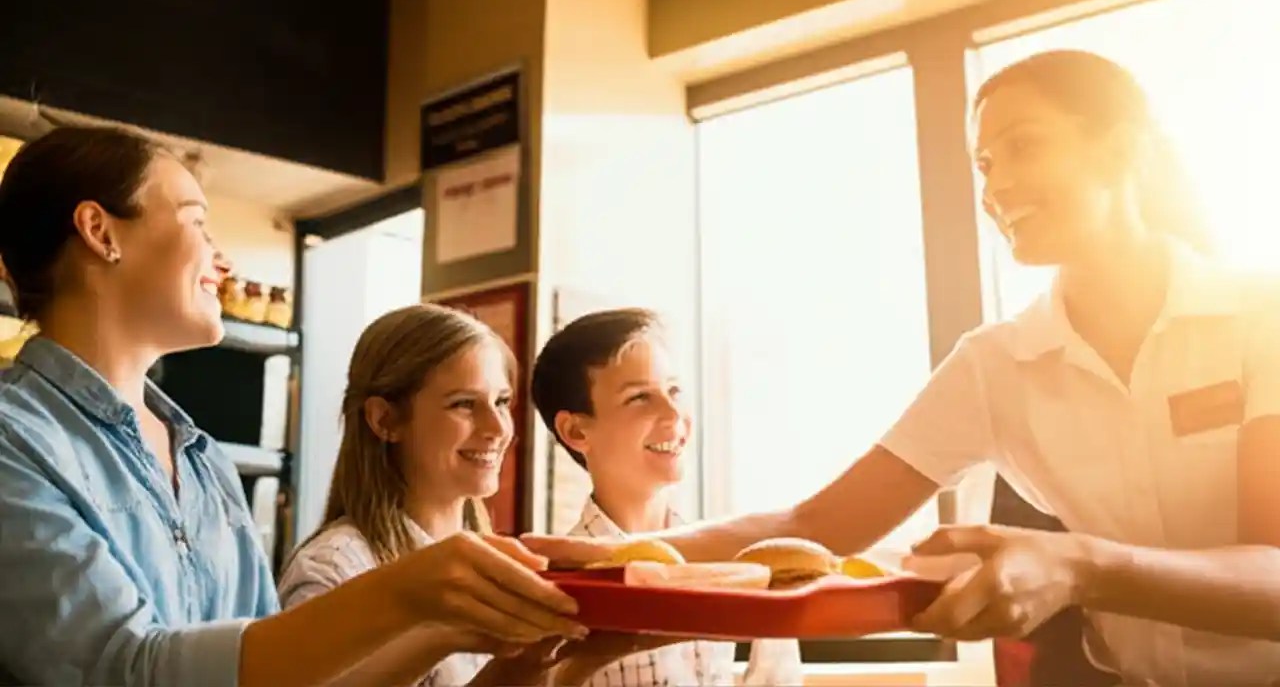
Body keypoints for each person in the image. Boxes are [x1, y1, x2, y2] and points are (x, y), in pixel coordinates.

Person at [523, 50, 1280, 687]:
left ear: (1123, 149)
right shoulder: (997, 363)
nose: (995, 186)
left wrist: (1077, 565)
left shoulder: (1260, 313)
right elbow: (815, 526)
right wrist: (608, 558)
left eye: (1024, 145)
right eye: (984, 162)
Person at [0, 126, 584, 687]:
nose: (221, 258)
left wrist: (454, 631)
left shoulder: (204, 463)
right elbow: (124, 672)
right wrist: (406, 593)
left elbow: (274, 672)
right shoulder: (15, 441)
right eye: (197, 223)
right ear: (101, 232)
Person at [279, 303, 677, 686]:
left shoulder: (502, 564)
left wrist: (577, 662)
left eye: (502, 402)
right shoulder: (334, 569)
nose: (497, 428)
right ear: (385, 419)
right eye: (464, 404)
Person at [530, 308, 803, 687]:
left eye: (674, 390)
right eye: (640, 397)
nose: (674, 414)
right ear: (576, 430)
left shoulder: (721, 560)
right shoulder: (560, 586)